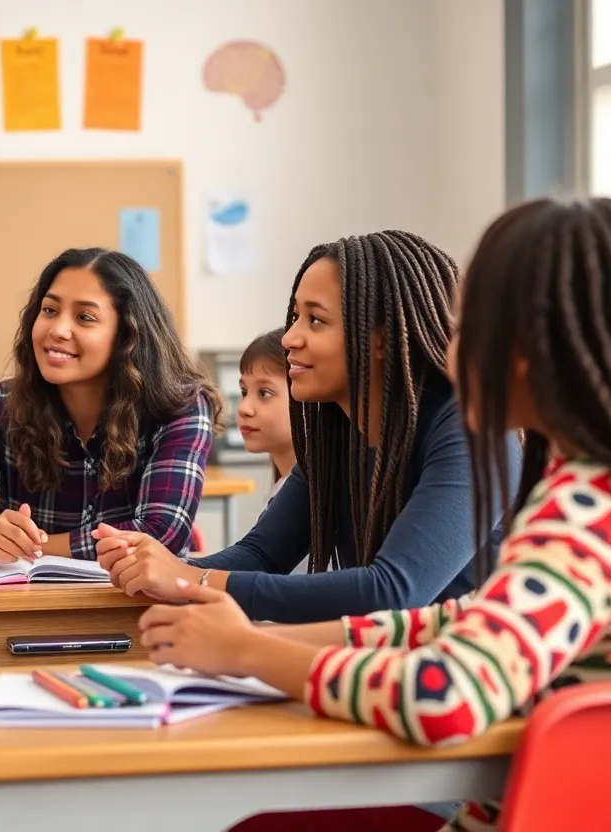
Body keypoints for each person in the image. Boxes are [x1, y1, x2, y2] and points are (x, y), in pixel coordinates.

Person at [135, 197, 611, 832]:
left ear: (529, 348)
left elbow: (442, 695)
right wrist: (243, 639)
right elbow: (459, 621)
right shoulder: (580, 488)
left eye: (464, 328)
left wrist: (252, 653)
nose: (447, 348)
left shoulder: (579, 514)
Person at [99, 230, 519, 623]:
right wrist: (153, 564)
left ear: (383, 340)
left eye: (315, 320)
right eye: (295, 316)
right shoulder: (337, 433)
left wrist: (192, 579)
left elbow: (393, 592)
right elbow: (261, 555)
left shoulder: (472, 433)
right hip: (381, 669)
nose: (289, 338)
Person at [0, 247, 221, 566]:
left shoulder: (178, 408)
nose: (57, 330)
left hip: (137, 609)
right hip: (32, 608)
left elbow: (161, 534)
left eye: (85, 317)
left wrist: (30, 548)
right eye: (49, 310)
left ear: (128, 335)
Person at [236, 327, 295, 493]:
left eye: (264, 393)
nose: (243, 409)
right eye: (244, 392)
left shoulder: (313, 502)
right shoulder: (282, 490)